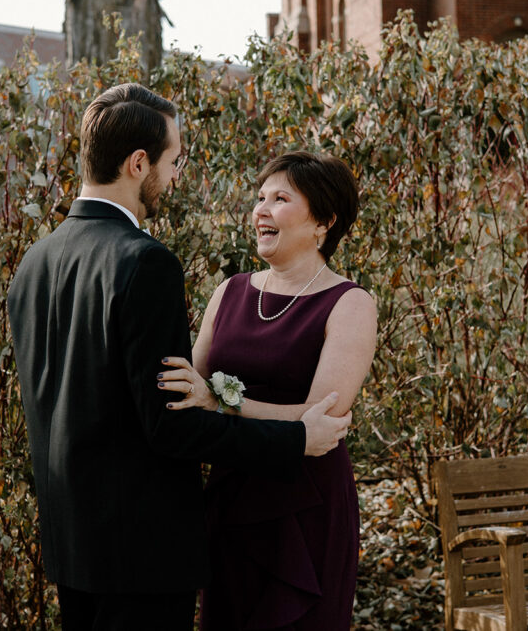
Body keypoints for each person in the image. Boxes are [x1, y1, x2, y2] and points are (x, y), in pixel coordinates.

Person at [6, 85, 353, 631]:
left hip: (72, 546)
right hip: (142, 552)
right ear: (138, 162)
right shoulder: (145, 263)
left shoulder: (35, 262)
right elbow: (171, 426)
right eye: (172, 162)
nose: (174, 177)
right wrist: (293, 439)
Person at [159, 151, 379, 630]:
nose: (260, 209)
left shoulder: (350, 304)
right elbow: (187, 392)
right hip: (231, 499)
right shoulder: (230, 291)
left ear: (323, 221)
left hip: (306, 509)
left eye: (280, 199)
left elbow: (321, 421)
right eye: (260, 198)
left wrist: (220, 403)